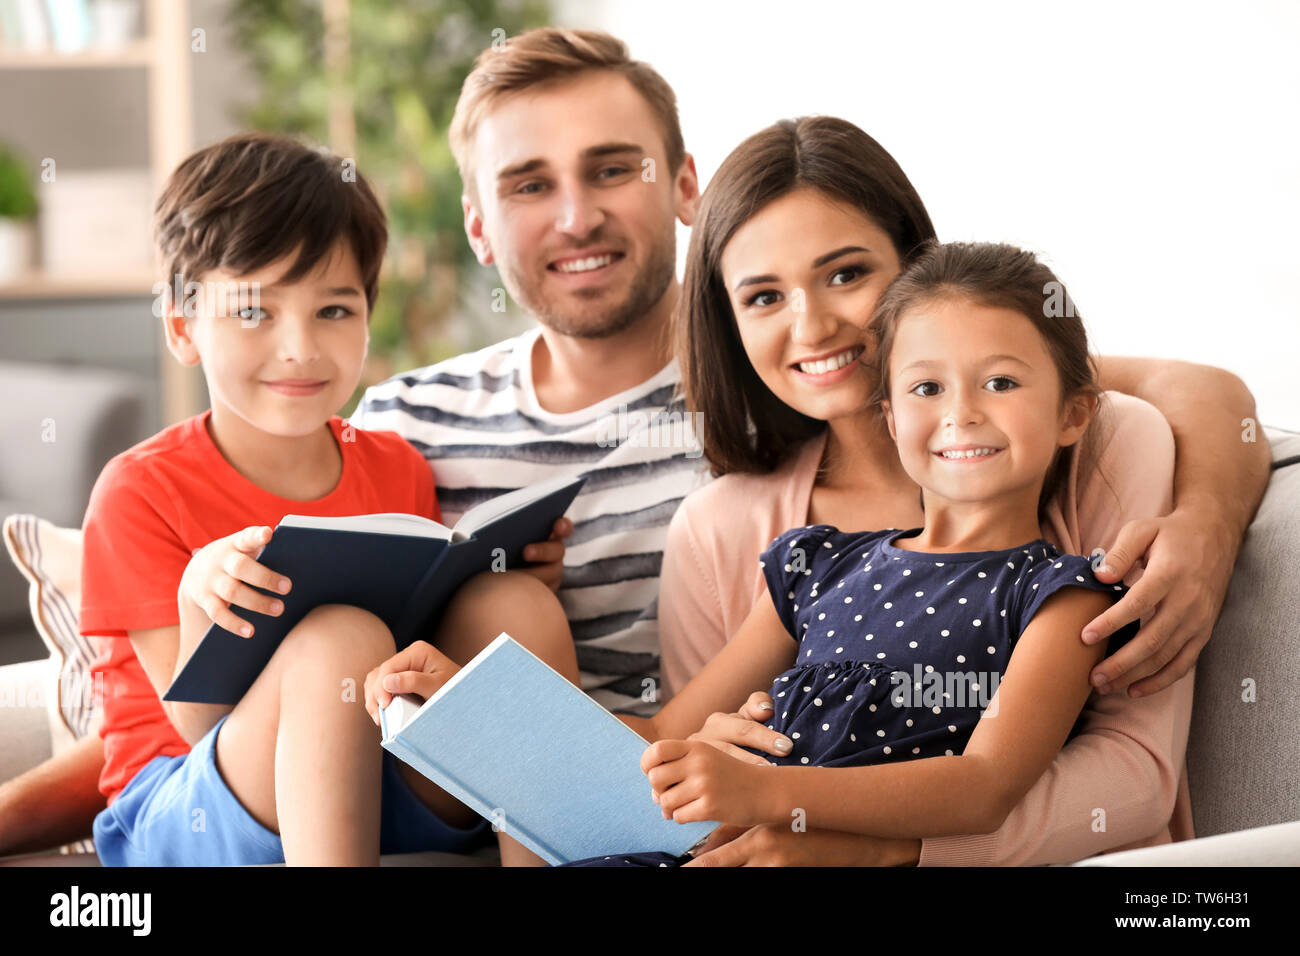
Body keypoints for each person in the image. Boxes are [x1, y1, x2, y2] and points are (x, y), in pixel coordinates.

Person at [657, 116, 1273, 866]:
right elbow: (673, 756)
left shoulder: (1091, 457)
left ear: (917, 266)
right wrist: (700, 764)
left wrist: (878, 847)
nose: (813, 325)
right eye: (762, 297)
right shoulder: (752, 543)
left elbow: (1129, 777)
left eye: (847, 274)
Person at [539, 241, 1152, 867]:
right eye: (927, 387)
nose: (961, 413)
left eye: (1000, 382)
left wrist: (767, 792)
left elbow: (985, 788)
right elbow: (669, 737)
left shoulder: (1061, 596)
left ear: (1073, 414)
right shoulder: (816, 565)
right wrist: (487, 704)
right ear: (889, 417)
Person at [77, 131, 570, 866]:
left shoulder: (396, 465)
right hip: (197, 803)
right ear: (184, 327)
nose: (300, 348)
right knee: (339, 635)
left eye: (333, 311)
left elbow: (407, 648)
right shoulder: (140, 490)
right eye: (254, 312)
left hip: (364, 775)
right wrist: (195, 600)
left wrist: (483, 591)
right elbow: (193, 727)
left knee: (514, 606)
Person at [349, 28, 710, 720]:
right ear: (478, 229)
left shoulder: (775, 405)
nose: (577, 220)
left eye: (610, 171)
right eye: (531, 186)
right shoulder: (402, 425)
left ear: (684, 186)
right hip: (450, 812)